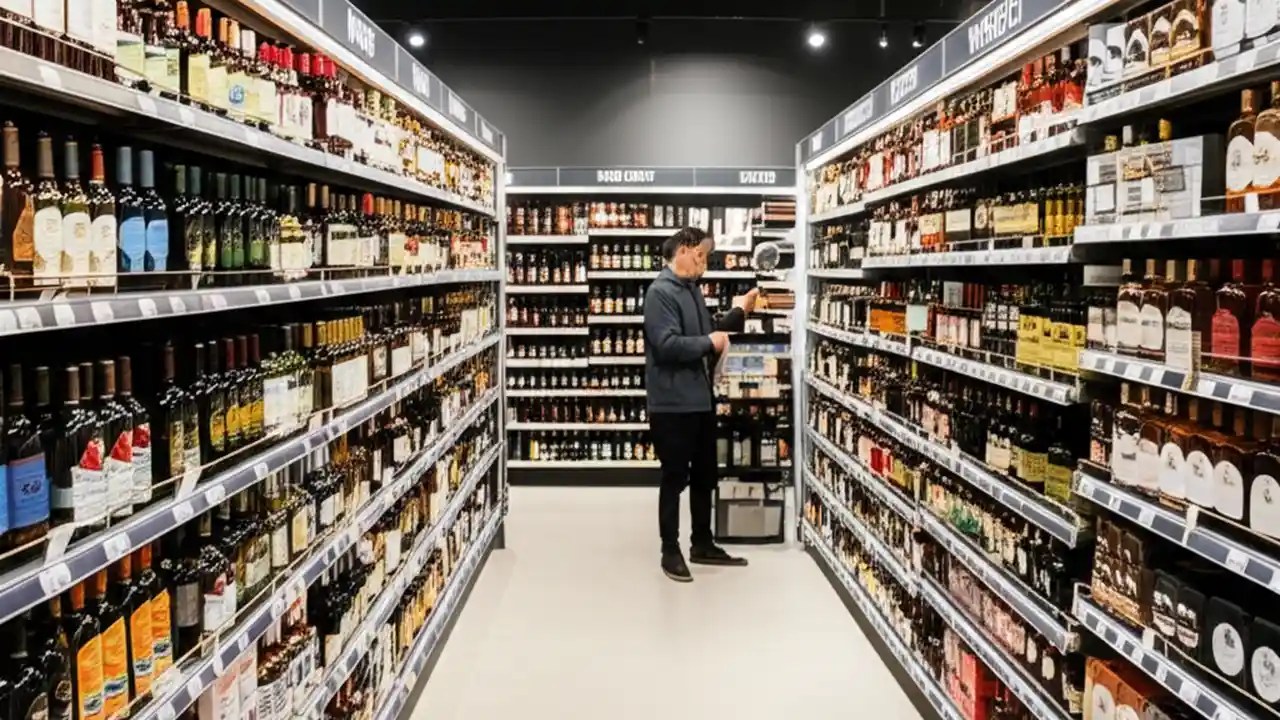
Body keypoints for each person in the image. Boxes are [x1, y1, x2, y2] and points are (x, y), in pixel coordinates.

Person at [643, 226, 759, 582]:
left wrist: (739, 312)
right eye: (700, 256)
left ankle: (702, 542)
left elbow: (708, 334)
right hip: (672, 404)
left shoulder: (692, 291)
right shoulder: (659, 293)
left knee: (705, 475)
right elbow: (667, 345)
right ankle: (670, 549)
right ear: (682, 249)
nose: (704, 264)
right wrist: (709, 341)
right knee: (675, 476)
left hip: (701, 399)